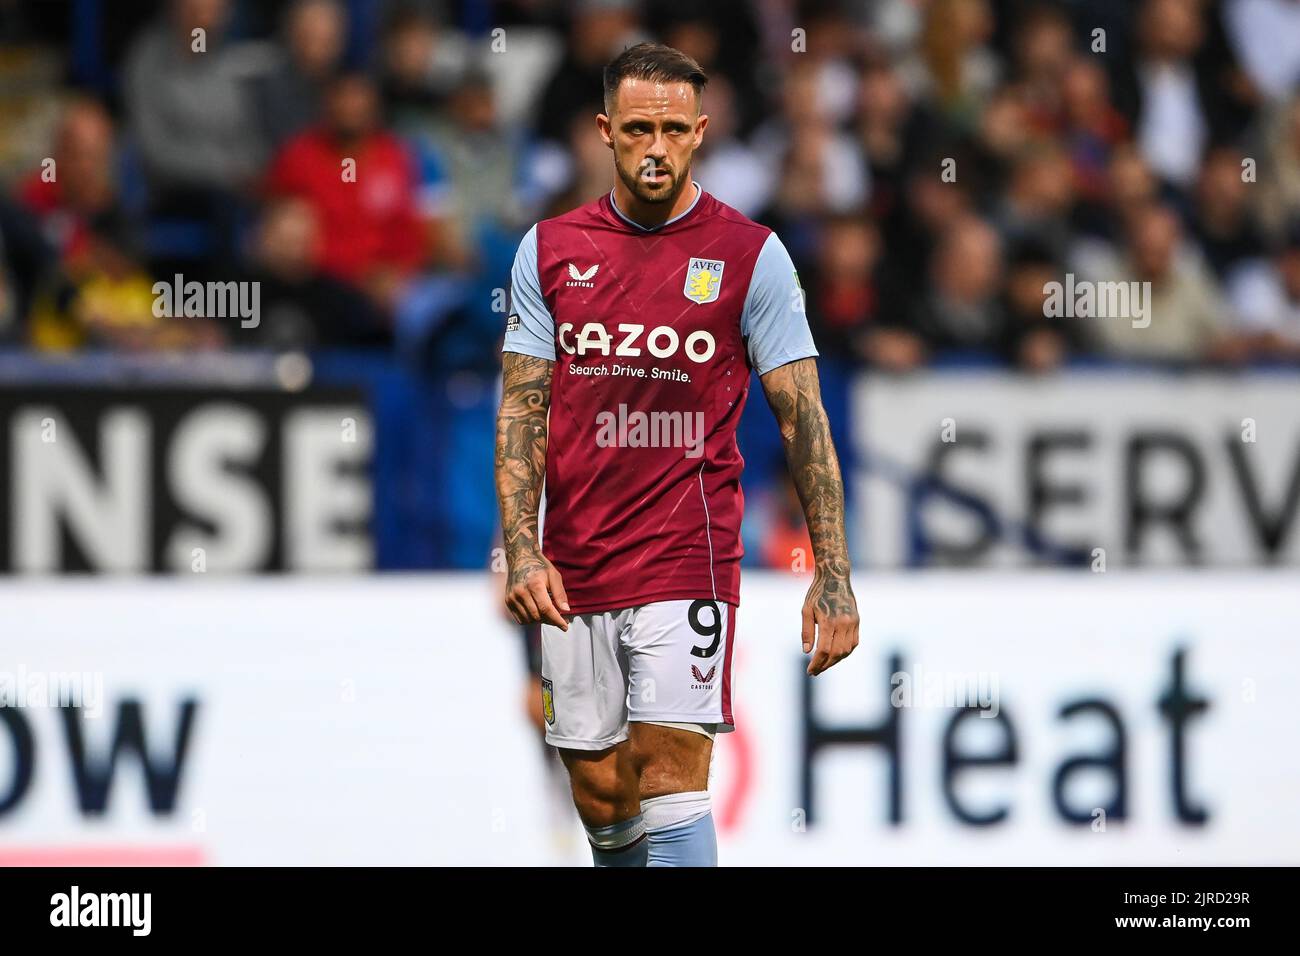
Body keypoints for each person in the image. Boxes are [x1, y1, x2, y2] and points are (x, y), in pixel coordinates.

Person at [493, 43, 860, 868]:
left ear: (700, 133)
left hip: (687, 552)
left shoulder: (751, 256)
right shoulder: (547, 252)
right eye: (635, 129)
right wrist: (521, 549)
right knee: (601, 793)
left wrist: (831, 571)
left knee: (668, 772)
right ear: (603, 132)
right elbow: (522, 409)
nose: (654, 148)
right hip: (576, 558)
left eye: (671, 130)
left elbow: (804, 419)